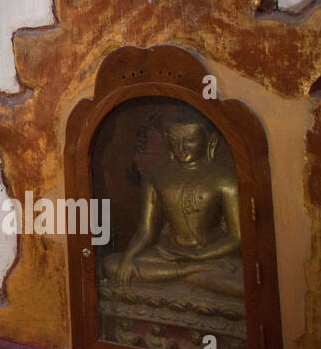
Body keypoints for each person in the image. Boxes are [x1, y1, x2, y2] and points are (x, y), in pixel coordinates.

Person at [103, 105, 244, 297]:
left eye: (190, 140)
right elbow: (146, 230)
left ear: (210, 141)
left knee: (243, 285)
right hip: (169, 255)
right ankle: (190, 274)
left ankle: (183, 274)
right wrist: (129, 257)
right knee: (111, 264)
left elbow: (238, 237)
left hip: (211, 256)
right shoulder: (156, 176)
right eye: (175, 141)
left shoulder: (225, 179)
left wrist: (199, 256)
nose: (181, 148)